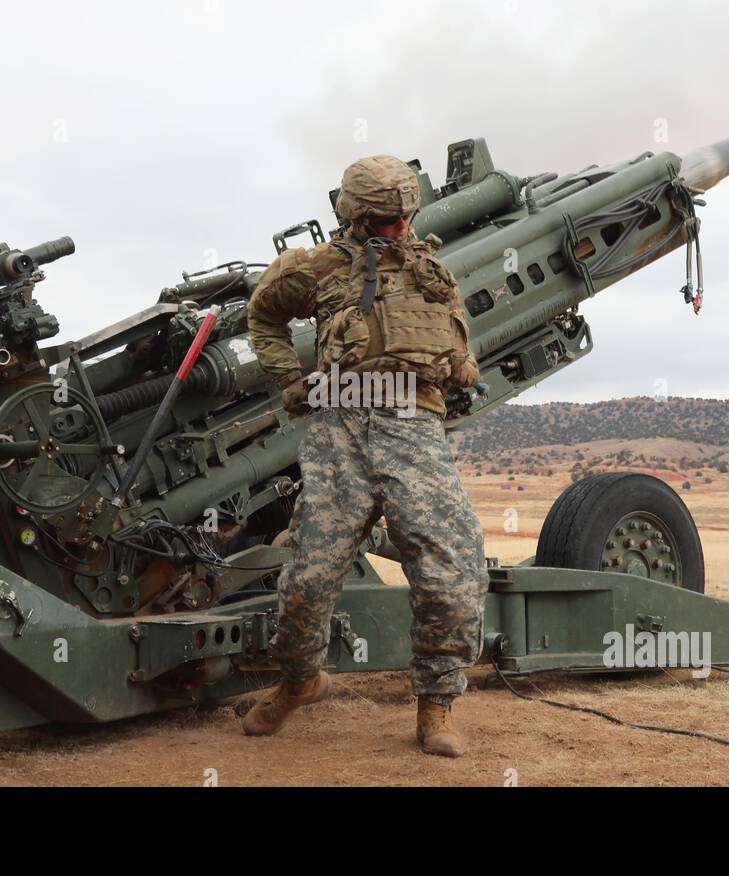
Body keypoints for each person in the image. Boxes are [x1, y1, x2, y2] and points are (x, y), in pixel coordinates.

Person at [242, 154, 488, 757]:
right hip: (340, 429)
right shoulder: (317, 268)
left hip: (415, 429)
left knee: (451, 570)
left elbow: (456, 336)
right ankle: (300, 682)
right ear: (353, 214)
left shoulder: (432, 269)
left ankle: (436, 704)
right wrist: (288, 380)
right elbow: (263, 315)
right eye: (384, 219)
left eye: (405, 216)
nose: (399, 227)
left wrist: (459, 368)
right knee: (308, 577)